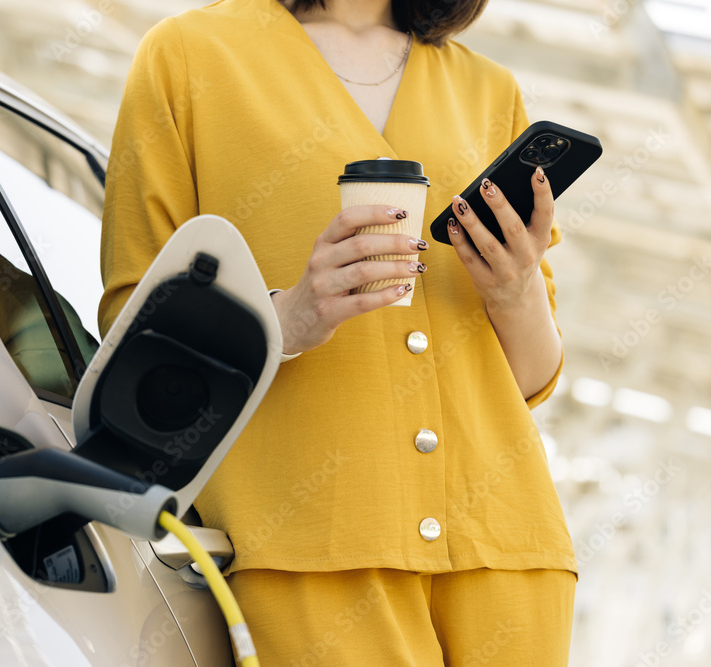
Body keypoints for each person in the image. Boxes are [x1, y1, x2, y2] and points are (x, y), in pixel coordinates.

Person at [98, 0, 576, 663]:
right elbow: (132, 324)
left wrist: (516, 290)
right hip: (310, 544)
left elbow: (531, 378)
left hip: (506, 550)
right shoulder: (187, 58)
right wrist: (285, 318)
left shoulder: (491, 90)